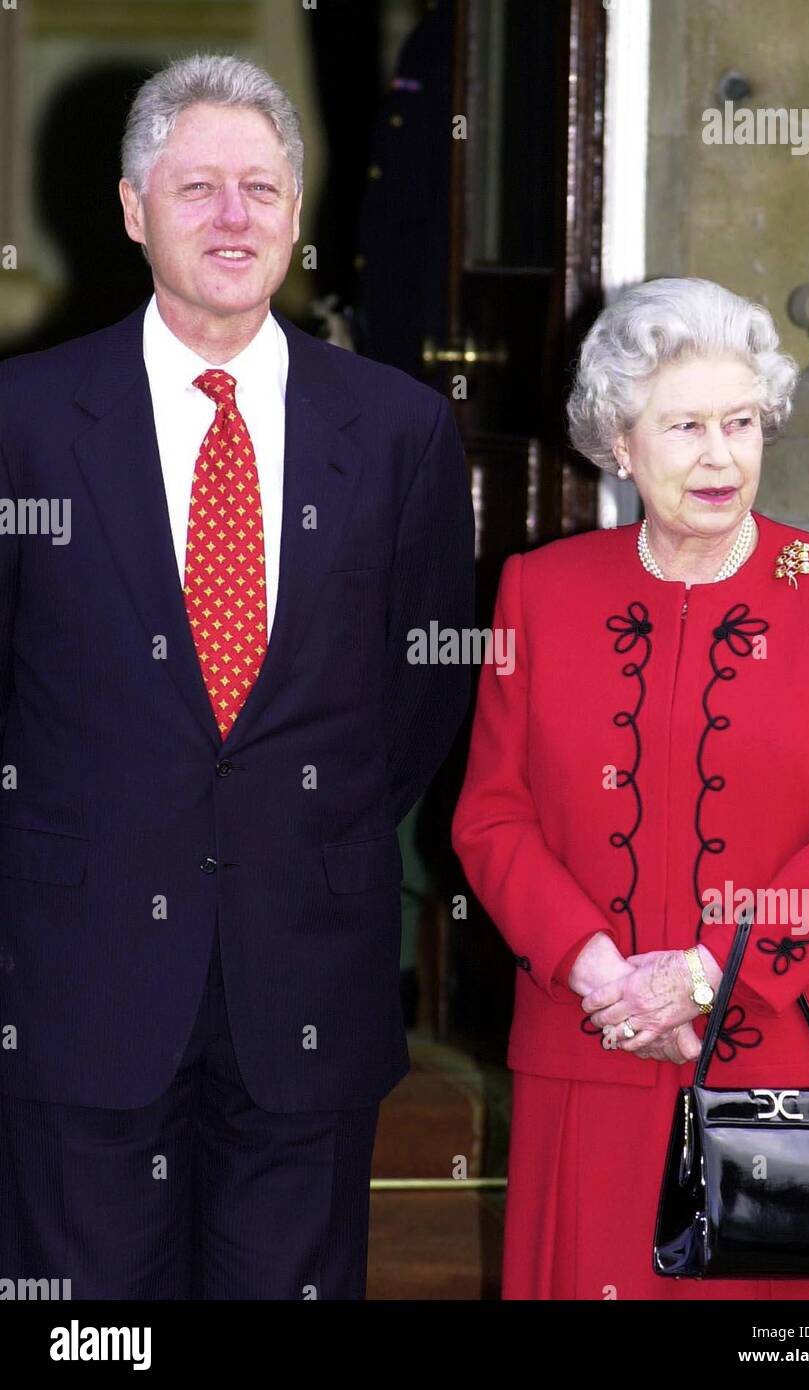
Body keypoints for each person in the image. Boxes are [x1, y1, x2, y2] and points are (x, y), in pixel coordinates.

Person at [0, 54, 474, 1300]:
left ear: (298, 212)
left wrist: (297, 824)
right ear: (129, 209)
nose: (232, 218)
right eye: (196, 186)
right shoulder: (25, 420)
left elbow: (416, 699)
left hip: (306, 975)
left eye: (261, 189)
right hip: (75, 982)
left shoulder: (400, 430)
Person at [451, 276, 809, 1300]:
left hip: (788, 1060)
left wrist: (708, 971)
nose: (719, 455)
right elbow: (490, 814)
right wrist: (600, 972)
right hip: (592, 1046)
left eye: (741, 422)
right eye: (685, 426)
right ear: (618, 441)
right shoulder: (540, 589)